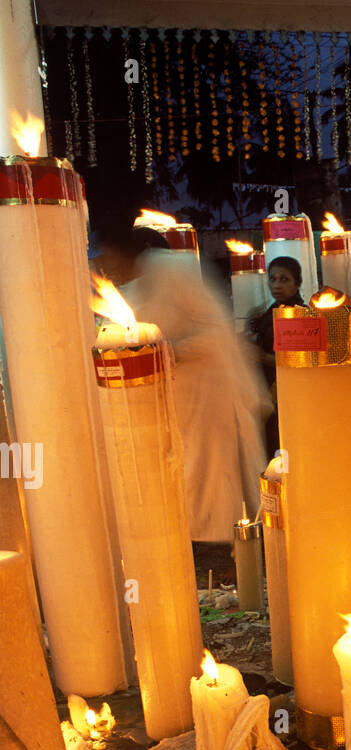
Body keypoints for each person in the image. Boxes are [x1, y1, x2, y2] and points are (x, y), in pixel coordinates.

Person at [95, 221, 270, 543]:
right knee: (186, 470)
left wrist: (169, 349)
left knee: (215, 472)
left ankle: (226, 542)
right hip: (178, 397)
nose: (107, 265)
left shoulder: (171, 269)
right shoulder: (131, 288)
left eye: (109, 255)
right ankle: (198, 540)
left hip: (212, 388)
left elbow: (215, 328)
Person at [246, 256, 305, 457]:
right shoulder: (268, 313)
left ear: (298, 283)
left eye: (284, 279)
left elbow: (297, 360)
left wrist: (261, 357)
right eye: (273, 279)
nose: (277, 285)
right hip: (267, 390)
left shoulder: (300, 316)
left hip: (286, 393)